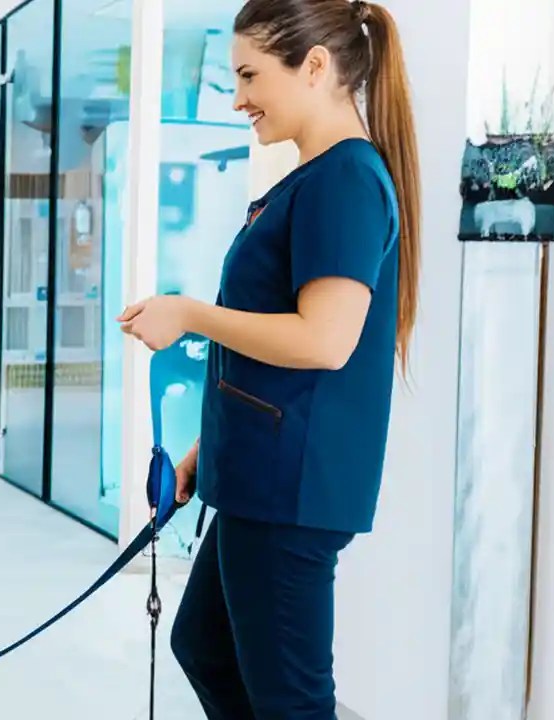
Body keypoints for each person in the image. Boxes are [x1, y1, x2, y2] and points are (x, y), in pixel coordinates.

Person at [117, 0, 420, 718]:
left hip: (291, 494)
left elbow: (324, 339)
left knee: (292, 703)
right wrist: (206, 446)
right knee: (205, 648)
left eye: (250, 75)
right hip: (260, 478)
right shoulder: (314, 180)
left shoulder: (345, 179)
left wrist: (187, 313)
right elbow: (278, 346)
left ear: (314, 67)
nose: (239, 97)